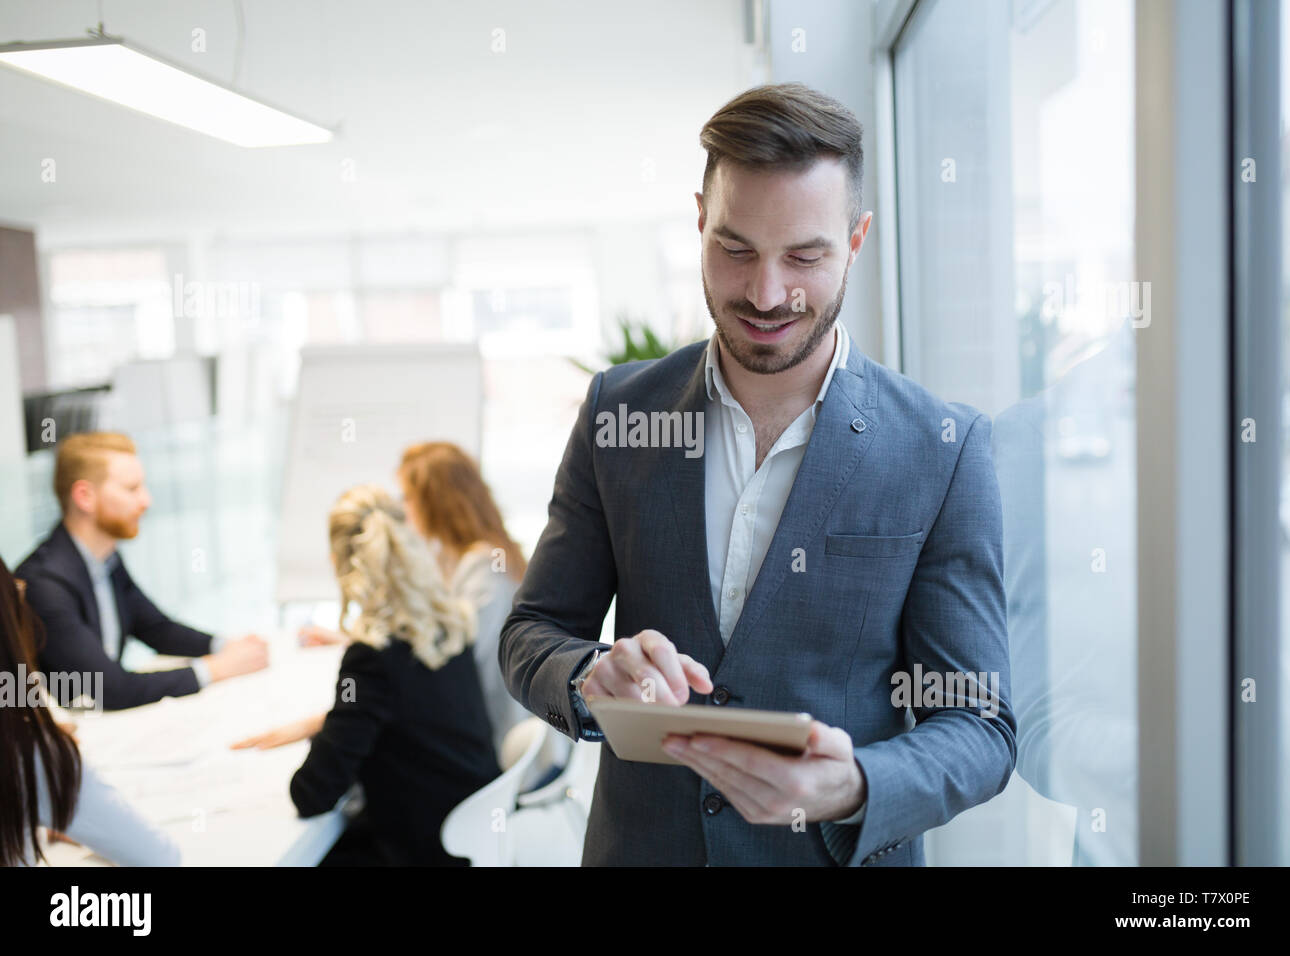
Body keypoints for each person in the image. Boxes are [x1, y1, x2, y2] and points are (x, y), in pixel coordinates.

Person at [499, 82, 1016, 866]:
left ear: (856, 241)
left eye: (804, 256)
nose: (766, 294)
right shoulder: (619, 415)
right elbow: (531, 633)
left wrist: (857, 786)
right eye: (734, 249)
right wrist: (591, 676)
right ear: (699, 220)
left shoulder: (942, 449)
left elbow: (980, 723)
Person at [281, 485, 502, 866]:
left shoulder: (368, 660)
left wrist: (330, 726)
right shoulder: (447, 623)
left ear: (338, 561)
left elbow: (312, 792)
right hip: (470, 832)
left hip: (420, 849)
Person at [15, 432, 268, 710]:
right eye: (131, 489)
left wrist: (225, 646)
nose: (146, 501)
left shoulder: (104, 561)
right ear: (84, 496)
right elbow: (110, 689)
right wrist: (214, 669)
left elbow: (156, 628)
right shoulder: (44, 584)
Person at [0, 555, 181, 867]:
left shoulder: (111, 566)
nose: (144, 502)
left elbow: (158, 628)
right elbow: (159, 857)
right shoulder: (28, 754)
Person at [396, 441, 537, 760]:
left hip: (486, 740)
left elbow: (453, 658)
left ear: (433, 502)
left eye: (407, 498)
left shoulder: (483, 565)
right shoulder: (463, 558)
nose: (403, 509)